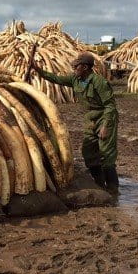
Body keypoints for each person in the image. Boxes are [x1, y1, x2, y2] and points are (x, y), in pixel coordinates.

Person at [31, 52, 119, 194]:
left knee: (106, 154)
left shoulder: (99, 82)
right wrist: (38, 70)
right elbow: (56, 79)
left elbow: (110, 105)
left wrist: (105, 126)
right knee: (88, 152)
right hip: (90, 119)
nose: (74, 69)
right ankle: (99, 184)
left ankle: (113, 188)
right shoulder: (75, 79)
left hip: (105, 118)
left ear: (84, 67)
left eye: (76, 66)